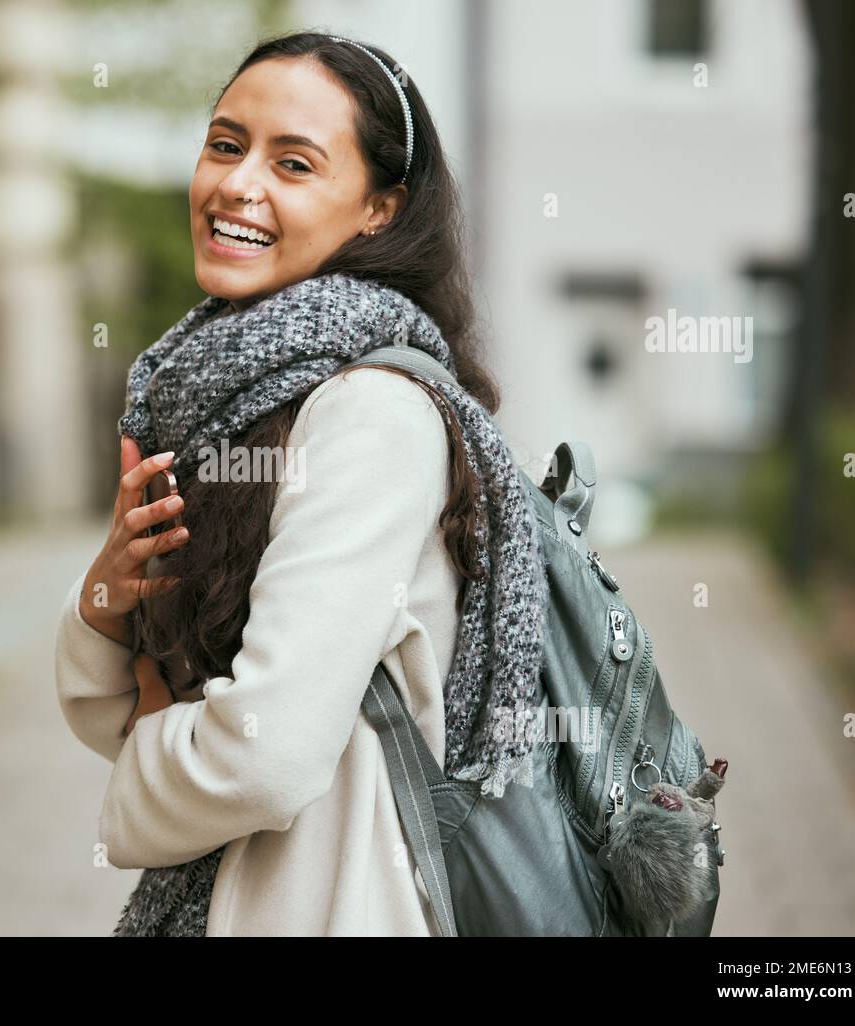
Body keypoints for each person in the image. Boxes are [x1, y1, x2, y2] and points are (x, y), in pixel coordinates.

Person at [53, 31, 545, 936]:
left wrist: (151, 760)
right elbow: (139, 717)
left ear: (378, 210)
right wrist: (107, 603)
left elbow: (260, 755)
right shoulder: (217, 397)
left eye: (295, 163)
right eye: (226, 145)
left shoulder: (372, 412)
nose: (240, 184)